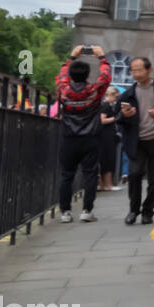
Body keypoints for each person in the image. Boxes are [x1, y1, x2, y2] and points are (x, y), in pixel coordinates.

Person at [54, 45, 111, 223]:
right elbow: (106, 76)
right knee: (90, 174)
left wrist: (72, 56)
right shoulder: (94, 91)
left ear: (71, 75)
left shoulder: (63, 90)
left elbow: (61, 75)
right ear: (87, 75)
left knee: (66, 175)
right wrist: (101, 57)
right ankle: (87, 210)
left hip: (69, 137)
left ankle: (65, 212)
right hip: (90, 137)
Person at [118, 57, 154, 226]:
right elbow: (118, 118)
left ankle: (148, 211)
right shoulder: (127, 94)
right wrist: (125, 115)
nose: (136, 73)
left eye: (139, 70)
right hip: (137, 140)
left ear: (149, 70)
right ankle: (133, 210)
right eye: (133, 70)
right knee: (134, 174)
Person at [97, 86, 121, 193]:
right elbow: (102, 120)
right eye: (116, 97)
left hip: (106, 135)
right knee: (108, 159)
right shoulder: (106, 106)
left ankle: (103, 184)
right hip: (106, 136)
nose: (116, 99)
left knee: (106, 160)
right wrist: (115, 118)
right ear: (111, 95)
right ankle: (108, 185)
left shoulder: (105, 105)